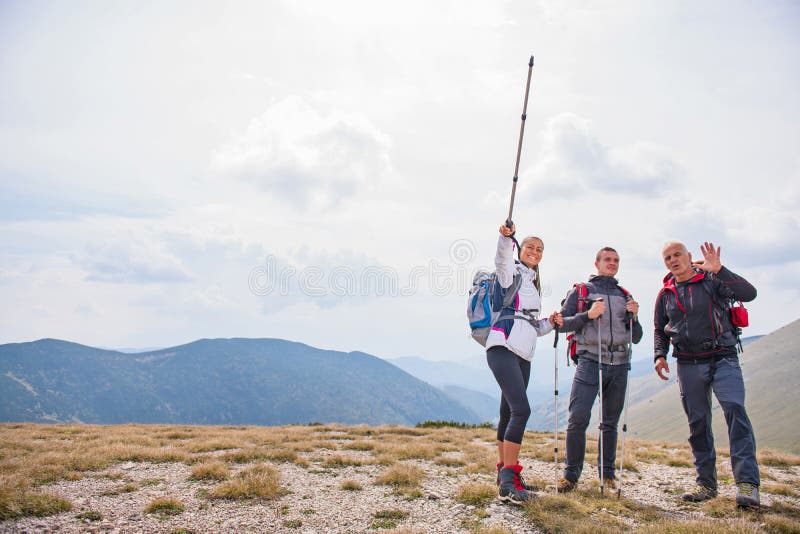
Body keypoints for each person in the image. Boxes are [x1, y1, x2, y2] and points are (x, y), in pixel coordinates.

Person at [654, 241, 760, 508]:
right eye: (668, 258)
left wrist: (721, 270)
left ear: (690, 256)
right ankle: (706, 484)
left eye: (678, 254)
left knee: (735, 410)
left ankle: (747, 484)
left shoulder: (713, 280)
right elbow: (660, 327)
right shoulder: (666, 293)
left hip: (723, 356)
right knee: (698, 423)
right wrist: (659, 355)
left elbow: (749, 293)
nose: (673, 260)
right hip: (688, 362)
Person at [555, 247, 643, 493]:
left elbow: (636, 337)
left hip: (620, 363)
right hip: (590, 361)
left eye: (616, 260)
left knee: (610, 423)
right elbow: (562, 324)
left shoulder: (624, 294)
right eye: (607, 260)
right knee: (578, 418)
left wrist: (634, 316)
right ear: (597, 263)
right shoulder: (582, 291)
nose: (612, 264)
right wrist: (588, 314)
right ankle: (570, 477)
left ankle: (608, 476)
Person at [486, 223, 561, 505]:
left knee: (507, 414)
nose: (535, 251)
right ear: (520, 249)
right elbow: (501, 260)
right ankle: (509, 480)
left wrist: (549, 324)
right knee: (522, 410)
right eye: (530, 246)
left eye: (540, 249)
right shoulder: (511, 273)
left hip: (523, 354)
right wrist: (505, 239)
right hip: (502, 347)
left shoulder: (531, 283)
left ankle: (506, 476)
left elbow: (531, 327)